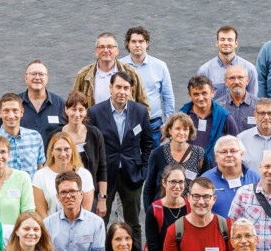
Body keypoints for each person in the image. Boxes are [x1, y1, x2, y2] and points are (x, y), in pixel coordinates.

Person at [89, 72, 154, 231]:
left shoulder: (140, 111)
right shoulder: (95, 112)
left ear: (131, 90)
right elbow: (91, 146)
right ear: (110, 88)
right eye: (118, 87)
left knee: (133, 224)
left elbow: (147, 144)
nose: (122, 92)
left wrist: (143, 171)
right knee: (100, 222)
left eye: (126, 88)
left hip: (132, 175)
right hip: (104, 175)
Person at [119, 26, 175, 141]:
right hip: (125, 123)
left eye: (141, 41)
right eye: (133, 41)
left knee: (153, 158)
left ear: (147, 44)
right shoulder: (120, 66)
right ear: (128, 44)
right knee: (129, 158)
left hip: (154, 125)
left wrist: (168, 123)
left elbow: (168, 96)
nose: (137, 45)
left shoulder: (160, 66)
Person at [0, 135, 35, 245]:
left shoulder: (22, 178)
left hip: (15, 240)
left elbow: (28, 211)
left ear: (8, 155)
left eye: (3, 152)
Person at [71, 33, 149, 109]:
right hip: (93, 122)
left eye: (110, 47)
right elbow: (73, 103)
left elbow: (144, 106)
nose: (105, 50)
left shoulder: (131, 73)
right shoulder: (84, 75)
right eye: (101, 47)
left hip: (124, 121)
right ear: (96, 51)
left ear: (117, 50)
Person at [60, 94, 107, 217]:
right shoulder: (56, 135)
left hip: (90, 195)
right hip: (63, 196)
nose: (77, 114)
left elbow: (102, 168)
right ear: (66, 110)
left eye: (81, 110)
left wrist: (102, 199)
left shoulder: (95, 134)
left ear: (86, 111)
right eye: (73, 109)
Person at [145, 115, 205, 207]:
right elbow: (149, 187)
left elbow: (205, 185)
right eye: (178, 129)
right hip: (163, 208)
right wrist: (149, 212)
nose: (182, 133)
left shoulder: (199, 153)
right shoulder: (157, 154)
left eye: (185, 129)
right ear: (169, 130)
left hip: (190, 209)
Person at [34, 133, 95, 217]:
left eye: (66, 149)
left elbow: (86, 212)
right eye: (58, 149)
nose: (63, 154)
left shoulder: (85, 175)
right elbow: (41, 212)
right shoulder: (40, 176)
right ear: (52, 151)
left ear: (73, 150)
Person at [201, 135, 260, 217]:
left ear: (242, 154)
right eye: (224, 152)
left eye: (233, 151)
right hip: (218, 229)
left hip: (248, 229)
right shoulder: (205, 180)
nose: (229, 155)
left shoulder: (256, 179)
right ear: (217, 156)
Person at [198, 24, 259, 99]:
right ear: (217, 43)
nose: (226, 43)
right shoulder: (205, 71)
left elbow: (253, 99)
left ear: (236, 44)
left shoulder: (249, 69)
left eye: (230, 40)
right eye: (222, 39)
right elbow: (201, 99)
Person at [16, 60, 66, 145]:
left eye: (41, 74)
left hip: (51, 158)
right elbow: (2, 134)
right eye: (33, 74)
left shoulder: (61, 104)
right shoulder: (15, 103)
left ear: (47, 78)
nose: (37, 77)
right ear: (25, 78)